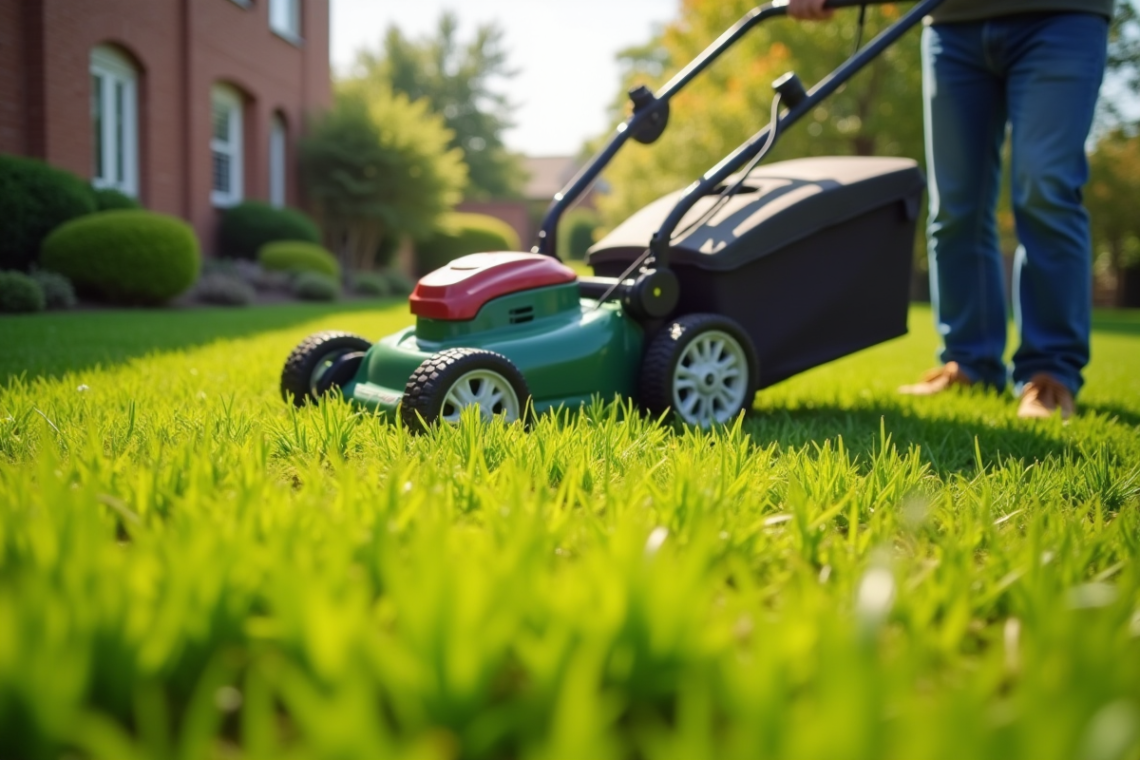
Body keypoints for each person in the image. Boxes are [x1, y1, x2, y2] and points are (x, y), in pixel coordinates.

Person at [787, 0, 1112, 419]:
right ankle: (969, 362)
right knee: (955, 206)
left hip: (1060, 15)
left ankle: (1050, 373)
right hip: (952, 22)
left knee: (1043, 189)